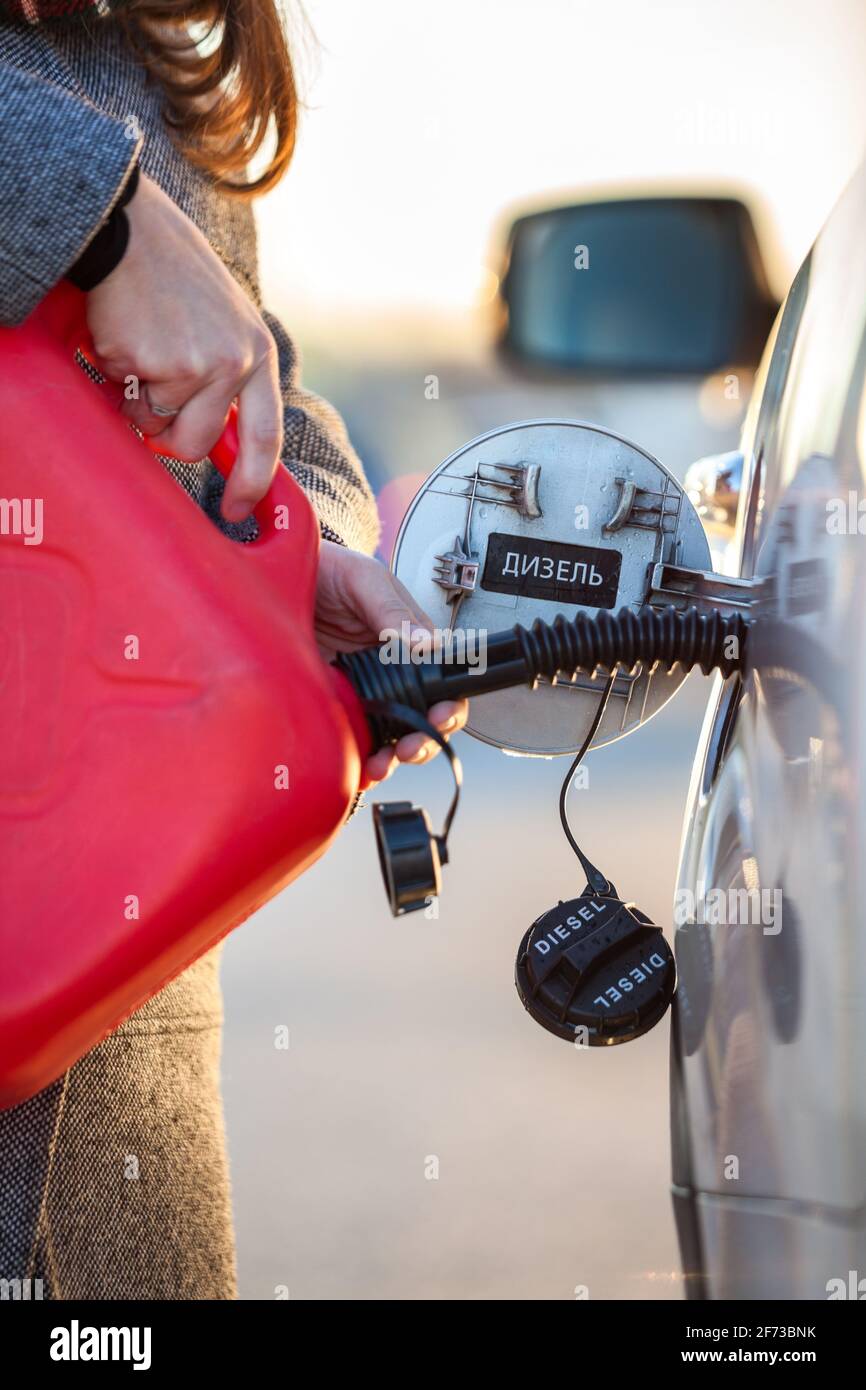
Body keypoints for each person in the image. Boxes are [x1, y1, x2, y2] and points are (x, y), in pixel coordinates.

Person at [0, 0, 467, 1300]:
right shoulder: (102, 159)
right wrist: (105, 219)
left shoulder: (153, 65)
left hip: (111, 1057)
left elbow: (264, 405)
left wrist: (288, 556)